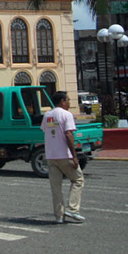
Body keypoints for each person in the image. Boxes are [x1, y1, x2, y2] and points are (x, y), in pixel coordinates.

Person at [40, 92, 85, 224]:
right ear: (62, 101)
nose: (69, 103)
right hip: (64, 155)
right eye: (68, 100)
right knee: (78, 180)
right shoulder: (66, 115)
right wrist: (74, 156)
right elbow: (69, 135)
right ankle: (72, 209)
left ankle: (59, 216)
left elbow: (45, 131)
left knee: (56, 187)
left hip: (51, 156)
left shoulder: (47, 115)